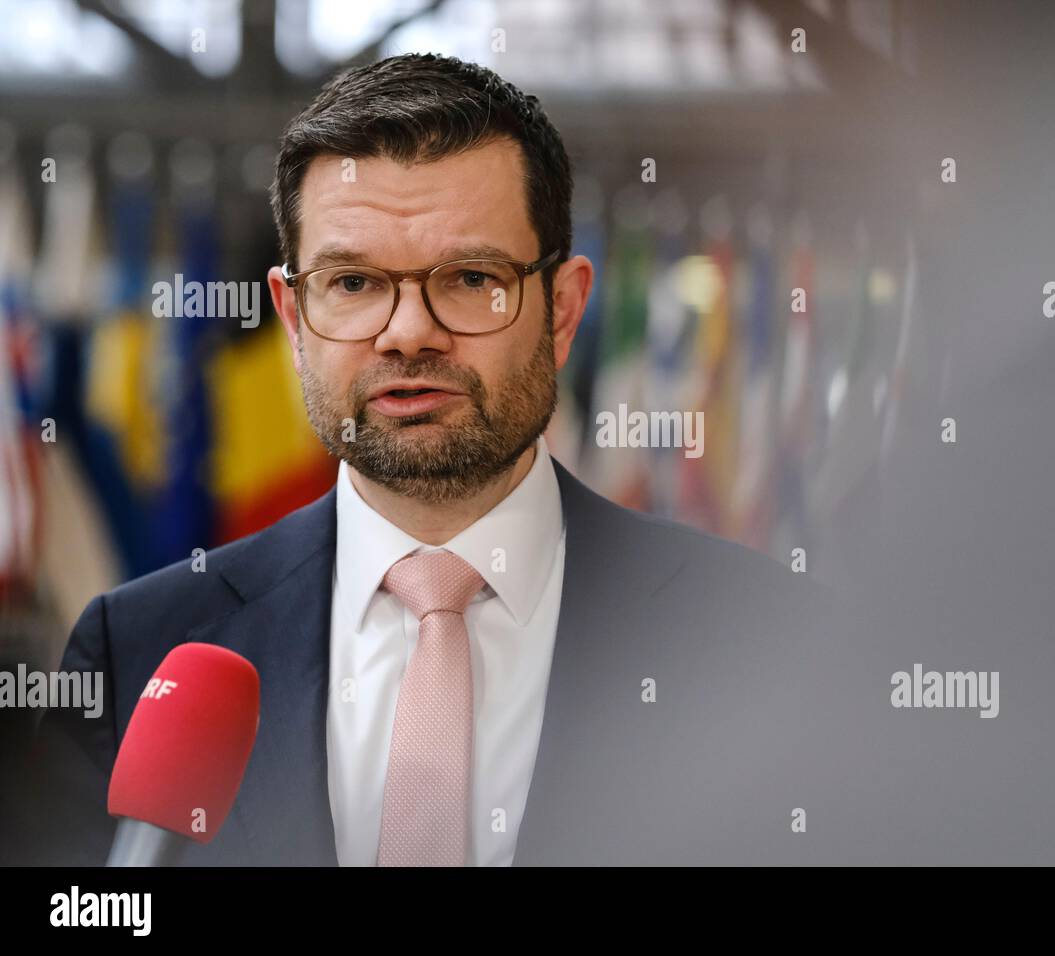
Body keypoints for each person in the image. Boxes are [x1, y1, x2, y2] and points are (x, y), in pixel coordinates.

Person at [15, 54, 861, 866]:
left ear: (563, 310)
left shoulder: (776, 645)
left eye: (468, 279)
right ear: (293, 316)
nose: (409, 330)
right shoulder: (138, 653)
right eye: (351, 283)